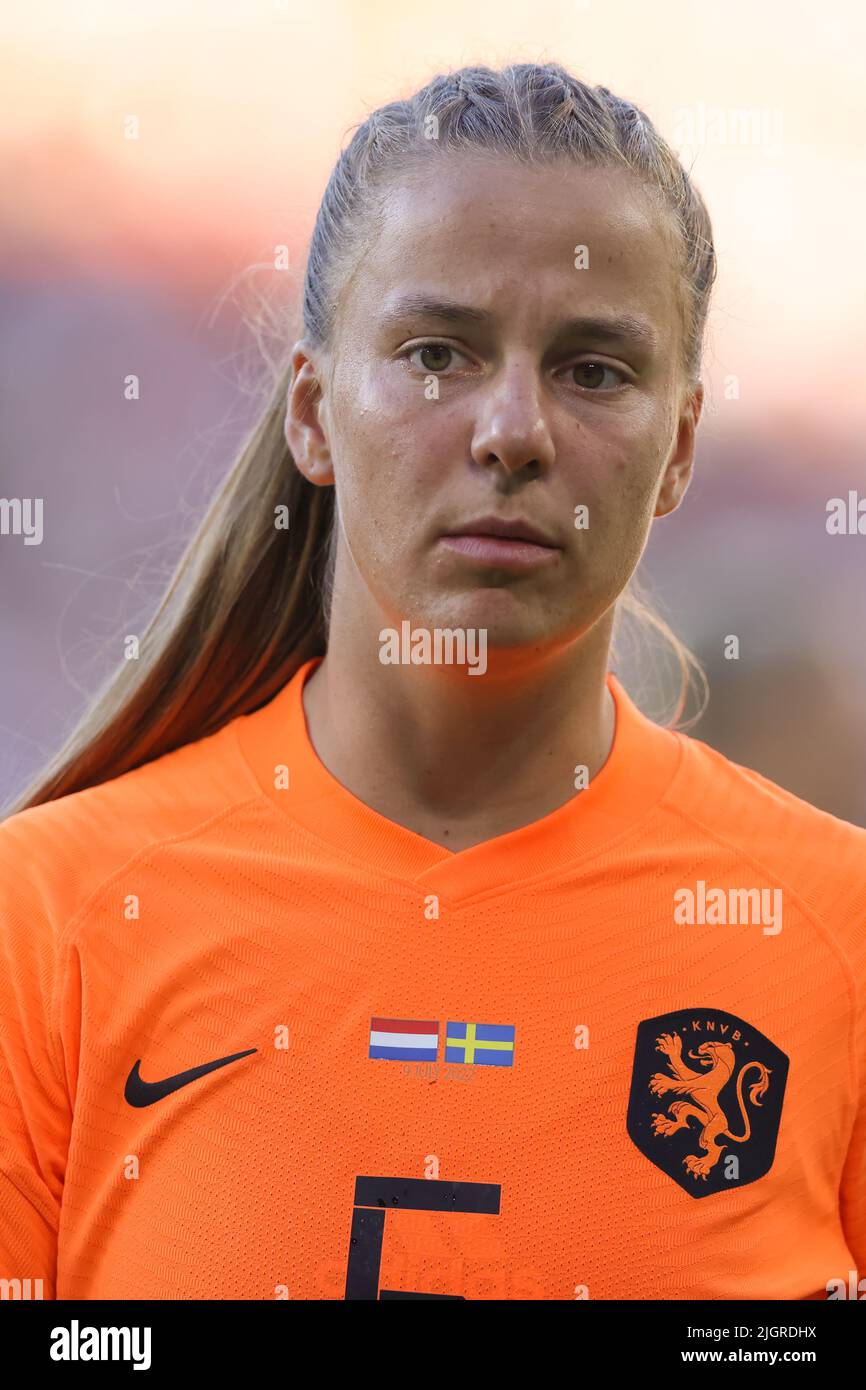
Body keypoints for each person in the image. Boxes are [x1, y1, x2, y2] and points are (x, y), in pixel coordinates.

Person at [1, 61, 864, 1302]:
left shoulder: (830, 935)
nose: (510, 430)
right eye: (435, 352)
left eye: (592, 370)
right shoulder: (49, 925)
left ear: (677, 450)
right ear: (310, 413)